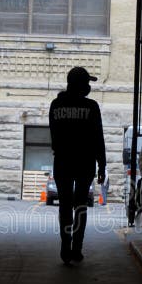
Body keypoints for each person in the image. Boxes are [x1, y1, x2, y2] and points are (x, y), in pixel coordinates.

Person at [49, 67, 106, 264]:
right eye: (87, 84)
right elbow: (98, 138)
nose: (89, 87)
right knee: (80, 205)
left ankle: (65, 248)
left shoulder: (56, 105)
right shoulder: (92, 107)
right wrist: (102, 165)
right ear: (81, 85)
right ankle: (77, 249)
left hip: (62, 162)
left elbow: (54, 136)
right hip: (85, 163)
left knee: (64, 206)